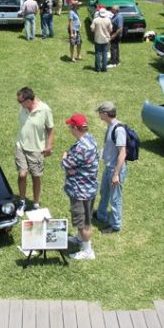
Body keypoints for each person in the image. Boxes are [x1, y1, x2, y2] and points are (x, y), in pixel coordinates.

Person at [61, 113, 99, 260]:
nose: (69, 129)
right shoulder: (90, 139)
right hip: (88, 189)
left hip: (80, 192)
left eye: (70, 126)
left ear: (76, 128)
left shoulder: (80, 148)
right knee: (83, 219)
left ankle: (87, 250)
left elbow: (65, 163)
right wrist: (71, 165)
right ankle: (79, 238)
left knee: (83, 223)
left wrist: (65, 156)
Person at [16, 87, 54, 210]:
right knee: (22, 175)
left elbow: (50, 128)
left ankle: (36, 203)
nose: (19, 104)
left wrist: (49, 145)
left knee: (36, 176)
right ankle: (22, 201)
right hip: (21, 146)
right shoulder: (23, 108)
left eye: (20, 101)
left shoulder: (45, 110)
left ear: (29, 100)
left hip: (36, 149)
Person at [94, 101, 127, 233]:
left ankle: (115, 225)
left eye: (100, 113)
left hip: (115, 170)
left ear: (105, 113)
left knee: (115, 198)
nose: (99, 115)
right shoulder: (110, 126)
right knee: (104, 192)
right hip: (109, 168)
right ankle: (101, 215)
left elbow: (122, 153)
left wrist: (116, 174)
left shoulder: (118, 130)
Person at [90, 7, 113, 72]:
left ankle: (98, 68)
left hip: (97, 39)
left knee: (97, 53)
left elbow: (92, 29)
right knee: (104, 53)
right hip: (105, 39)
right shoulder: (108, 20)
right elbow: (111, 30)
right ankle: (104, 68)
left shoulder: (95, 20)